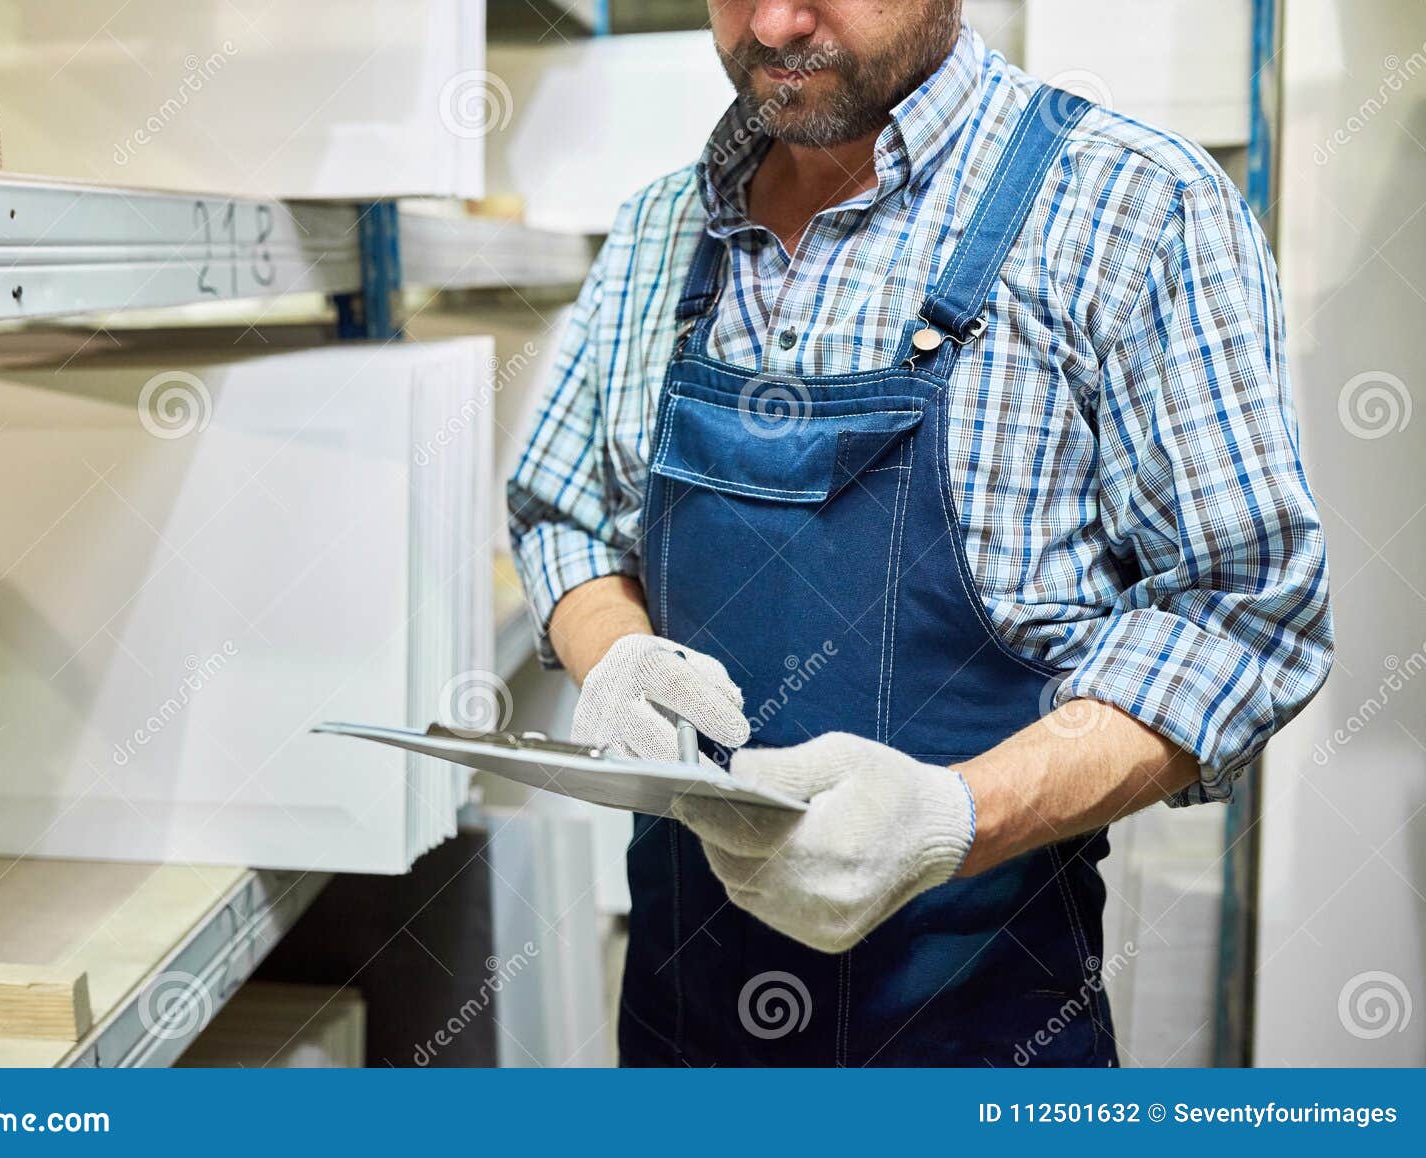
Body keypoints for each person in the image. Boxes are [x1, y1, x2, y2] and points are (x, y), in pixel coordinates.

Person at [507, 0, 1333, 1066]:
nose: (772, 20)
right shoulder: (658, 229)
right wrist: (612, 652)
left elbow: (1241, 621)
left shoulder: (1136, 209)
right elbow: (561, 511)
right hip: (682, 1026)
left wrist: (954, 817)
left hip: (978, 1038)